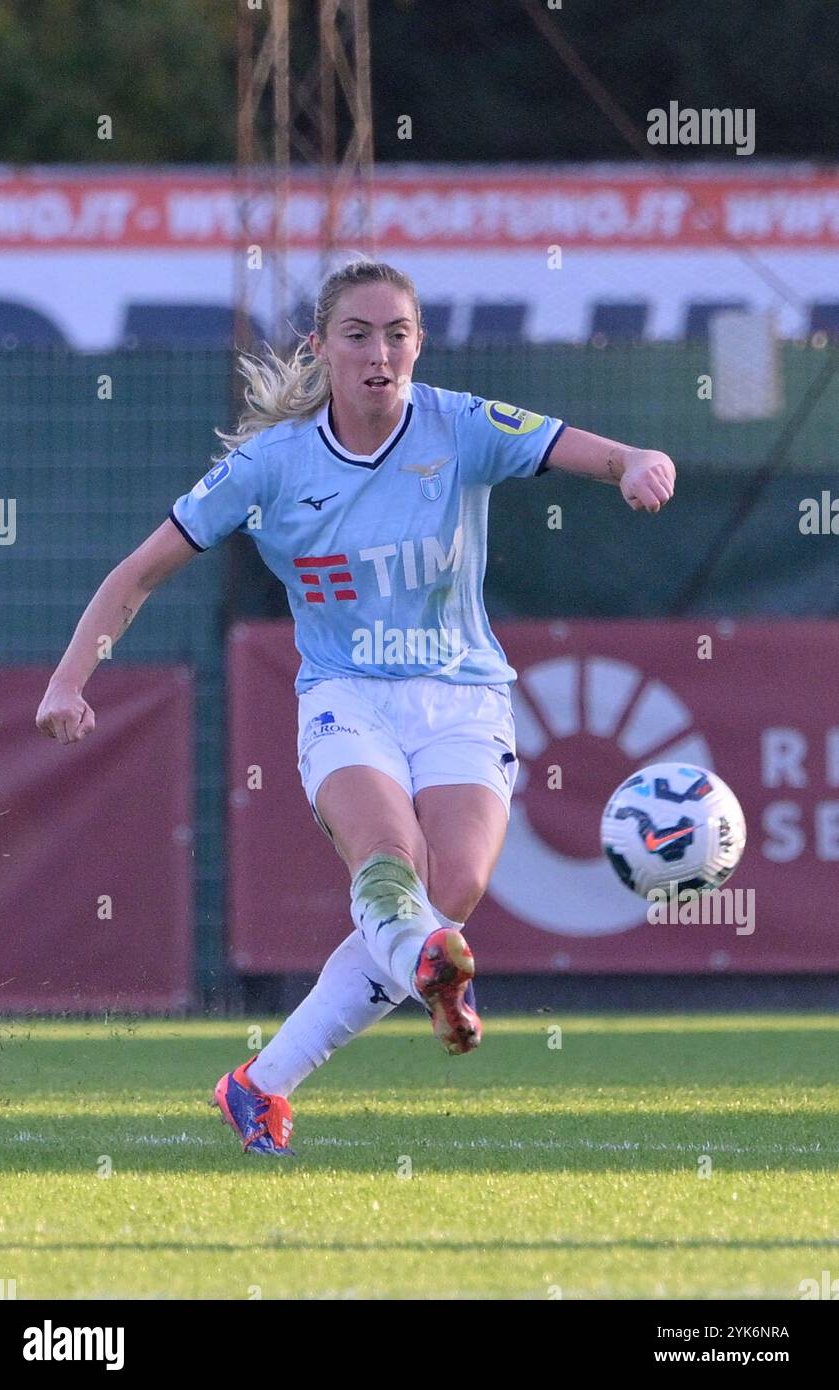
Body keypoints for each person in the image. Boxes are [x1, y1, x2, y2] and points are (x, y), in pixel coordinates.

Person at [36, 258, 675, 1159]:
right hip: (345, 699)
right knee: (390, 859)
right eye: (359, 334)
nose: (382, 353)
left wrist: (640, 461)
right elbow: (138, 574)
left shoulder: (460, 424)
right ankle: (424, 967)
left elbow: (592, 451)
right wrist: (69, 679)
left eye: (399, 334)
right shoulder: (270, 464)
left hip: (463, 696)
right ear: (321, 348)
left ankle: (259, 1084)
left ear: (418, 343)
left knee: (449, 890)